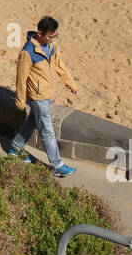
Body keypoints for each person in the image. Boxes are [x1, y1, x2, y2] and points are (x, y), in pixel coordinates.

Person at [7, 17, 79, 178]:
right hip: (37, 97)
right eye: (50, 36)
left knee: (32, 121)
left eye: (55, 36)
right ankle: (57, 165)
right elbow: (21, 77)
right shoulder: (28, 52)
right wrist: (20, 100)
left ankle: (15, 148)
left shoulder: (52, 46)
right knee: (47, 130)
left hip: (48, 94)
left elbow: (60, 66)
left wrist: (71, 85)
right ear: (40, 33)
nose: (53, 39)